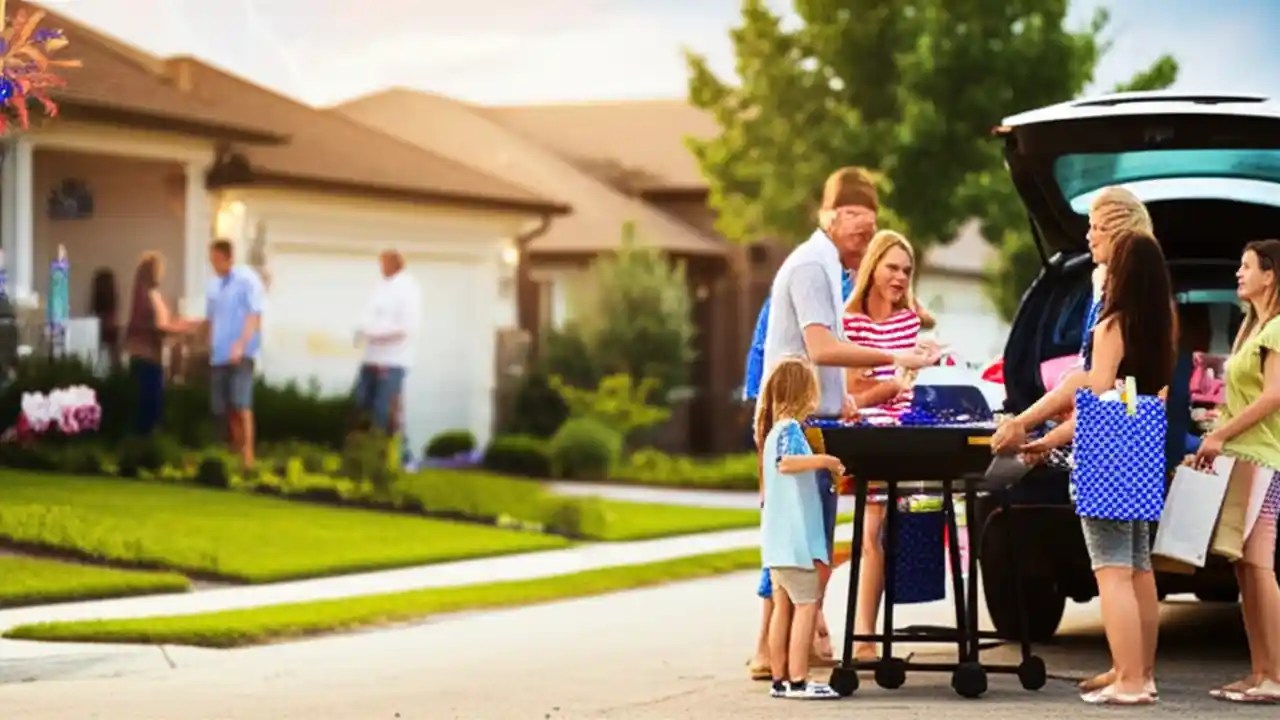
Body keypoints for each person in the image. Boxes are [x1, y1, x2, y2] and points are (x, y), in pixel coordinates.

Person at [745, 167, 940, 681]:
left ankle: (789, 653)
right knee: (797, 546)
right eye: (852, 215)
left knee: (806, 545)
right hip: (796, 425)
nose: (862, 228)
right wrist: (898, 356)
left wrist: (844, 402)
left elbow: (821, 361)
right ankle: (776, 656)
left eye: (870, 220)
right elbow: (822, 348)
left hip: (819, 417)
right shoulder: (812, 266)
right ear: (828, 216)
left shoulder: (830, 268)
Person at [1021, 231, 1176, 705]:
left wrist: (1048, 436)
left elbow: (1098, 391)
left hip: (1108, 456)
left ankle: (1128, 681)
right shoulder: (1160, 330)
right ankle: (1143, 674)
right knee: (1137, 566)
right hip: (1144, 453)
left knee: (1109, 572)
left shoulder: (1113, 325)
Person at [991, 187, 1153, 456]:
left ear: (1120, 235)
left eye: (1098, 228)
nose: (1089, 237)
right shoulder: (1108, 289)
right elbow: (1090, 379)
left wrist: (1039, 434)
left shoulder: (1122, 309)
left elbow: (1098, 389)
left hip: (1115, 452)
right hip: (1112, 440)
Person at [1194, 239, 1280, 703]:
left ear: (1271, 275)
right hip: (1242, 457)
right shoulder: (1253, 328)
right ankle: (1260, 671)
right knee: (1245, 567)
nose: (1238, 274)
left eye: (1246, 266)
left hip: (1264, 457)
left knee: (1259, 565)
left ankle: (1276, 674)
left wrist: (1222, 436)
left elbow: (1274, 396)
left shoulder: (1278, 329)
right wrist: (1216, 434)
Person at [841, 230, 925, 660]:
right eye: (892, 267)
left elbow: (908, 388)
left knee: (891, 535)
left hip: (906, 435)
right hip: (869, 438)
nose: (899, 278)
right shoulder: (849, 322)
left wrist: (910, 372)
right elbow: (853, 392)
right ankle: (865, 637)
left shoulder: (909, 321)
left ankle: (874, 633)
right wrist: (897, 376)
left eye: (906, 271)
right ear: (873, 267)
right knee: (871, 534)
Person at [756, 356, 844, 700]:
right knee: (806, 607)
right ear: (803, 392)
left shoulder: (771, 434)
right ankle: (797, 679)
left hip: (777, 546)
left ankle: (780, 680)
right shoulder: (791, 430)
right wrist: (827, 461)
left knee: (782, 609)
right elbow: (789, 463)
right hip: (797, 546)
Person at [205, 239, 265, 468]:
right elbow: (210, 319)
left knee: (241, 405)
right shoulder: (213, 285)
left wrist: (241, 343)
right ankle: (234, 452)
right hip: (219, 354)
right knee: (224, 408)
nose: (213, 264)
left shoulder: (246, 279)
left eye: (216, 259)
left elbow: (254, 315)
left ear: (227, 257)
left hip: (242, 354)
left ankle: (248, 457)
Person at [354, 250, 422, 445]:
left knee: (384, 411)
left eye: (383, 263)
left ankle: (396, 454)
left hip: (392, 360)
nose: (381, 268)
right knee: (362, 406)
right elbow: (370, 316)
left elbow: (405, 328)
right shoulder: (381, 287)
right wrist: (362, 331)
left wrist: (375, 335)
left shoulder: (407, 288)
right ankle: (365, 449)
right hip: (371, 358)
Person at [123, 252, 192, 435]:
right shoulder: (148, 296)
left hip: (150, 357)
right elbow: (158, 327)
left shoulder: (148, 295)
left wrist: (181, 326)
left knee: (149, 407)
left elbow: (163, 323)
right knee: (149, 407)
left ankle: (144, 445)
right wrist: (182, 330)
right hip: (147, 358)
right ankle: (145, 447)